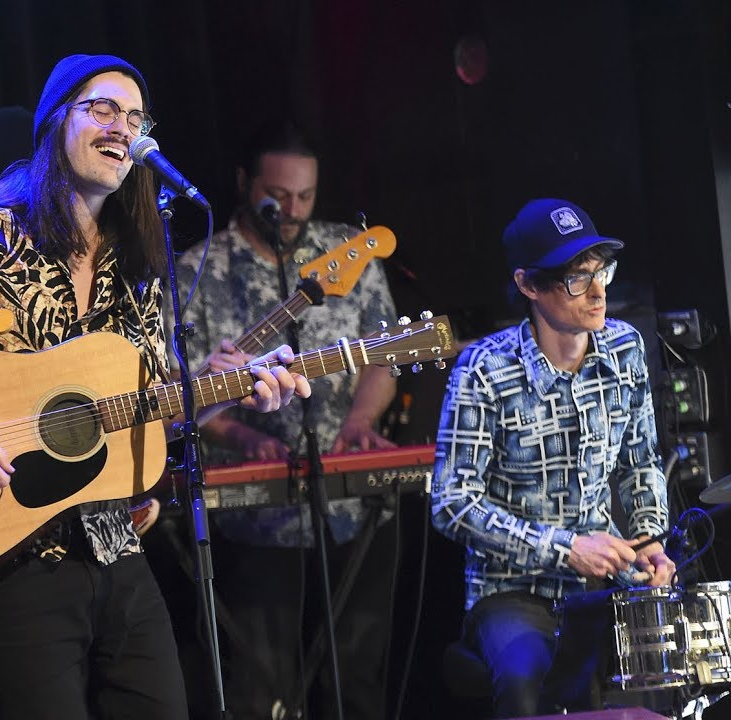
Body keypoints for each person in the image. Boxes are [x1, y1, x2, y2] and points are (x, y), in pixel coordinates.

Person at [0, 53, 311, 719]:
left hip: (118, 548)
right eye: (102, 109)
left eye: (136, 118)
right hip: (10, 558)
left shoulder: (136, 266)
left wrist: (226, 390)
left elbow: (144, 414)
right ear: (55, 122)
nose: (122, 128)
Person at [168, 123, 400, 720]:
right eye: (278, 196)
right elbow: (178, 391)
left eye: (305, 196)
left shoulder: (343, 250)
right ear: (245, 183)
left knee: (357, 684)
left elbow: (385, 355)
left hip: (351, 506)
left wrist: (361, 420)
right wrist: (240, 434)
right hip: (255, 518)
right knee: (260, 691)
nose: (293, 210)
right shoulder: (197, 270)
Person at [431, 198, 675, 717]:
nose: (598, 291)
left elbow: (641, 462)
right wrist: (567, 548)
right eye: (576, 279)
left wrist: (649, 540)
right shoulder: (483, 369)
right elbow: (452, 503)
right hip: (511, 590)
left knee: (667, 676)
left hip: (608, 579)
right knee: (528, 683)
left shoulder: (625, 348)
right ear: (528, 285)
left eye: (601, 272)